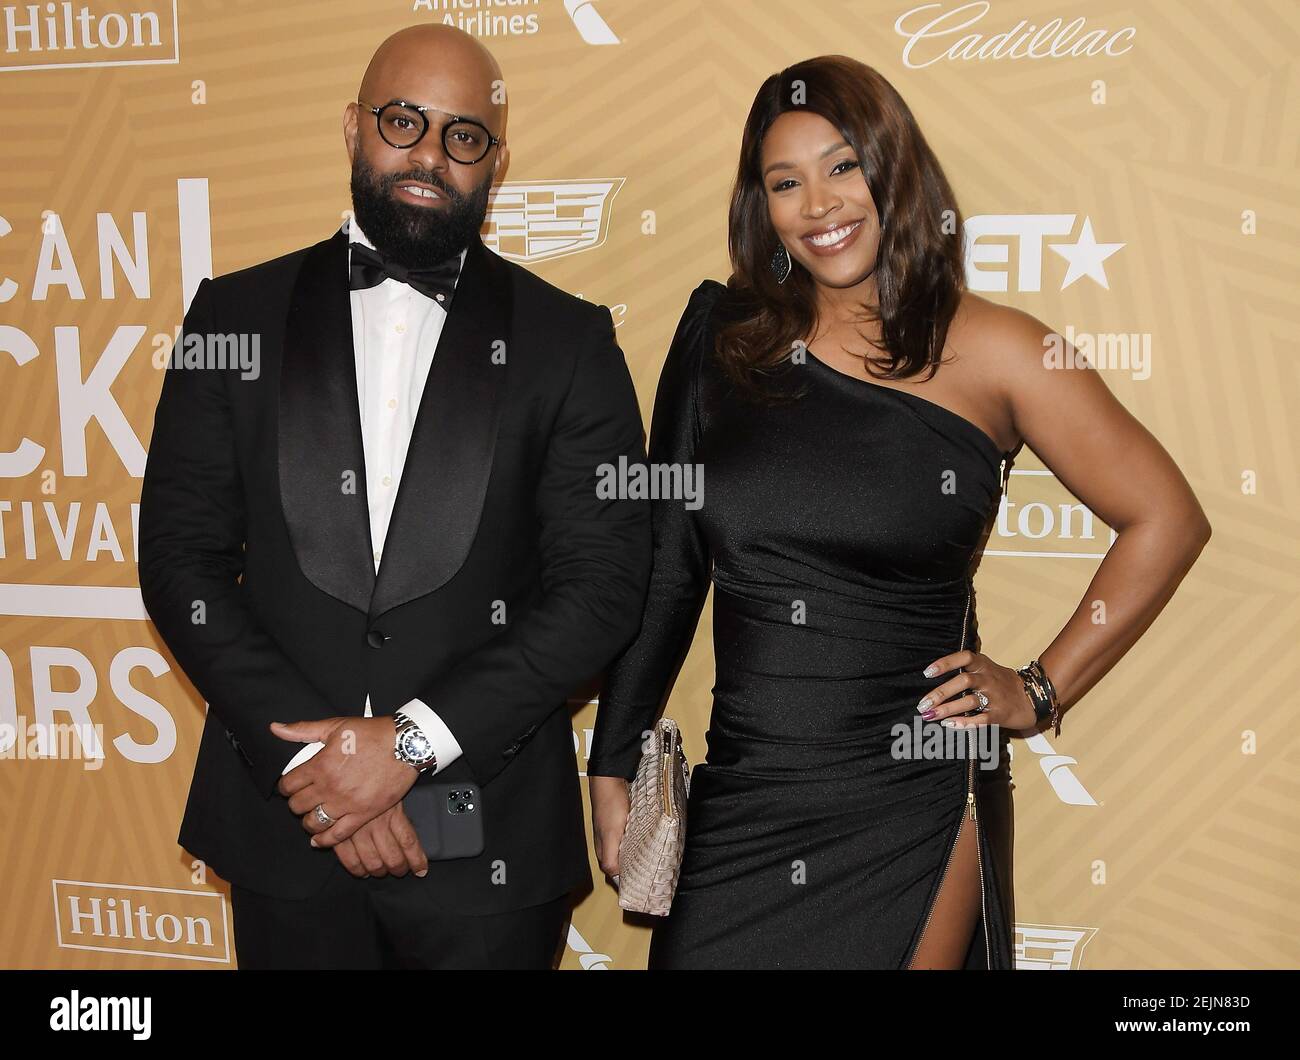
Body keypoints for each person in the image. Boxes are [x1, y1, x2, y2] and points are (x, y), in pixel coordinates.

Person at [587, 54, 1211, 969]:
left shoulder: (1000, 349)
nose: (822, 204)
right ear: (762, 208)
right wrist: (611, 756)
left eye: (844, 166)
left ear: (894, 167)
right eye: (786, 182)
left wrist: (1039, 691)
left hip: (911, 793)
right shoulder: (722, 339)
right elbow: (670, 558)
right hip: (746, 795)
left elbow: (1167, 517)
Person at [138, 24, 651, 969]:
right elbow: (180, 561)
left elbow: (605, 585)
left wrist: (407, 748)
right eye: (403, 121)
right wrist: (326, 770)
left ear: (498, 159)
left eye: (463, 136)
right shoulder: (232, 316)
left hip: (486, 845)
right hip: (286, 833)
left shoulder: (568, 342)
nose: (428, 156)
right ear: (351, 127)